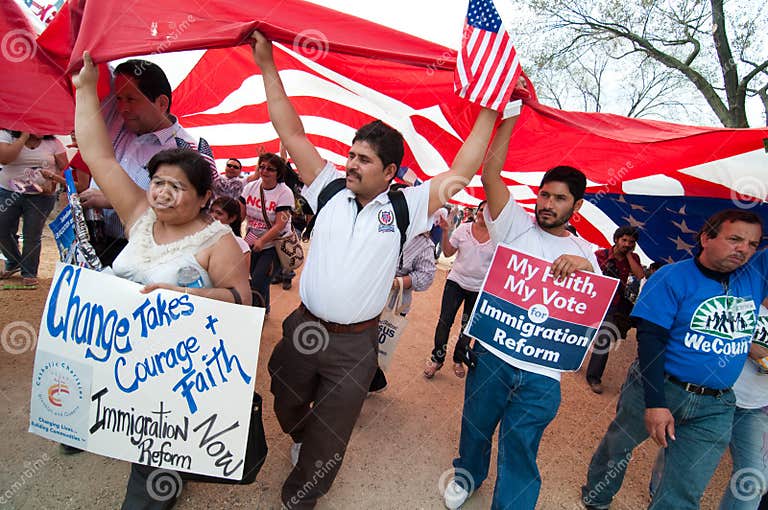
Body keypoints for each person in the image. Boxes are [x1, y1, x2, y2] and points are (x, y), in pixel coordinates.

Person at [250, 29, 503, 509]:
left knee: (332, 431)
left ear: (389, 172)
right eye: (350, 153)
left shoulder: (408, 206)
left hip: (354, 344)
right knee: (284, 399)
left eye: (363, 159)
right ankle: (300, 433)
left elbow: (462, 172)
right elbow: (292, 132)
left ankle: (301, 494)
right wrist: (267, 65)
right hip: (304, 327)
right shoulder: (325, 188)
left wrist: (489, 105)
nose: (350, 163)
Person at [73, 51, 251, 510]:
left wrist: (188, 297)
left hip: (174, 377)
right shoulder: (138, 215)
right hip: (120, 362)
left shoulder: (220, 241)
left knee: (149, 478)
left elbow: (243, 303)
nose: (163, 193)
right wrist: (82, 88)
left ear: (205, 197)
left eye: (177, 187)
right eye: (157, 182)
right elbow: (96, 153)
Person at [443, 115, 600, 510]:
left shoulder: (588, 256)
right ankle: (467, 476)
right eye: (545, 195)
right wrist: (511, 111)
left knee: (521, 448)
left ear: (576, 206)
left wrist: (583, 270)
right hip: (493, 357)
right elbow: (491, 171)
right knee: (476, 429)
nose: (547, 204)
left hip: (542, 376)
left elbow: (591, 316)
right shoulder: (515, 226)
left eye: (559, 198)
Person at [581, 209, 768, 510]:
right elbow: (651, 340)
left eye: (753, 244)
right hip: (659, 387)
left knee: (685, 488)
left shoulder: (754, 276)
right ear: (706, 238)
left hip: (716, 405)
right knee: (619, 445)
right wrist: (656, 403)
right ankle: (597, 497)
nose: (744, 249)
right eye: (735, 239)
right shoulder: (671, 277)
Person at [78, 58, 218, 267]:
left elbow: (198, 212)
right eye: (118, 98)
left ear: (161, 103)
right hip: (91, 242)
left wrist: (114, 199)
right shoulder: (113, 123)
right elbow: (87, 57)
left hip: (147, 254)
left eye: (131, 99)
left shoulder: (192, 150)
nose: (122, 107)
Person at [370, 187, 437, 393]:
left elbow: (426, 277)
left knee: (372, 346)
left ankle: (367, 382)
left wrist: (398, 282)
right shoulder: (377, 225)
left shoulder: (423, 242)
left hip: (393, 303)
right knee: (360, 342)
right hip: (367, 293)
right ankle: (372, 381)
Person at [424, 200, 494, 379]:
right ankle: (437, 359)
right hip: (455, 283)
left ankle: (458, 359)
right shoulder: (463, 230)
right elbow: (447, 253)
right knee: (444, 322)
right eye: (480, 210)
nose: (481, 214)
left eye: (487, 212)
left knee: (467, 327)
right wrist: (446, 231)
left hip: (478, 290)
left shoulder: (498, 237)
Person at [0, 130, 68, 288]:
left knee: (32, 234)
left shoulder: (53, 142)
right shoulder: (6, 136)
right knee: (2, 229)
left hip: (41, 196)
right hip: (8, 192)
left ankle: (29, 272)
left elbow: (65, 167)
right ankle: (14, 261)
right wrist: (24, 136)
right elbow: (4, 158)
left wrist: (53, 181)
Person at [585, 225, 644, 393]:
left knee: (605, 337)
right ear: (616, 240)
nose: (627, 244)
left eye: (631, 242)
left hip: (612, 304)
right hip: (591, 299)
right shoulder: (600, 255)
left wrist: (629, 256)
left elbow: (640, 275)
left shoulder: (633, 258)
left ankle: (594, 377)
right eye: (624, 240)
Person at [241, 152, 294, 311]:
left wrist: (263, 241)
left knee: (257, 281)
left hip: (274, 245)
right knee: (257, 279)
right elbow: (241, 214)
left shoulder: (285, 193)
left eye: (270, 169)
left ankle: (256, 316)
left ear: (278, 173)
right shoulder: (250, 187)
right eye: (262, 167)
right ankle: (266, 308)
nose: (264, 171)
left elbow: (279, 225)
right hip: (251, 240)